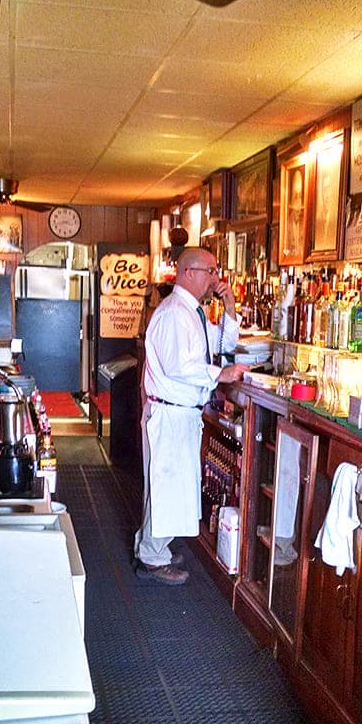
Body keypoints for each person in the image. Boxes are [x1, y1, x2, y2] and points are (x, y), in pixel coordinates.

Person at [134, 247, 248, 585]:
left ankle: (151, 546)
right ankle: (151, 559)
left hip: (180, 414)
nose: (216, 278)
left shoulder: (194, 312)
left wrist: (229, 307)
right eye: (211, 271)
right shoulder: (173, 313)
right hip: (168, 414)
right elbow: (178, 366)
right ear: (189, 272)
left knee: (168, 486)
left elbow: (224, 346)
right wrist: (219, 376)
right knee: (164, 487)